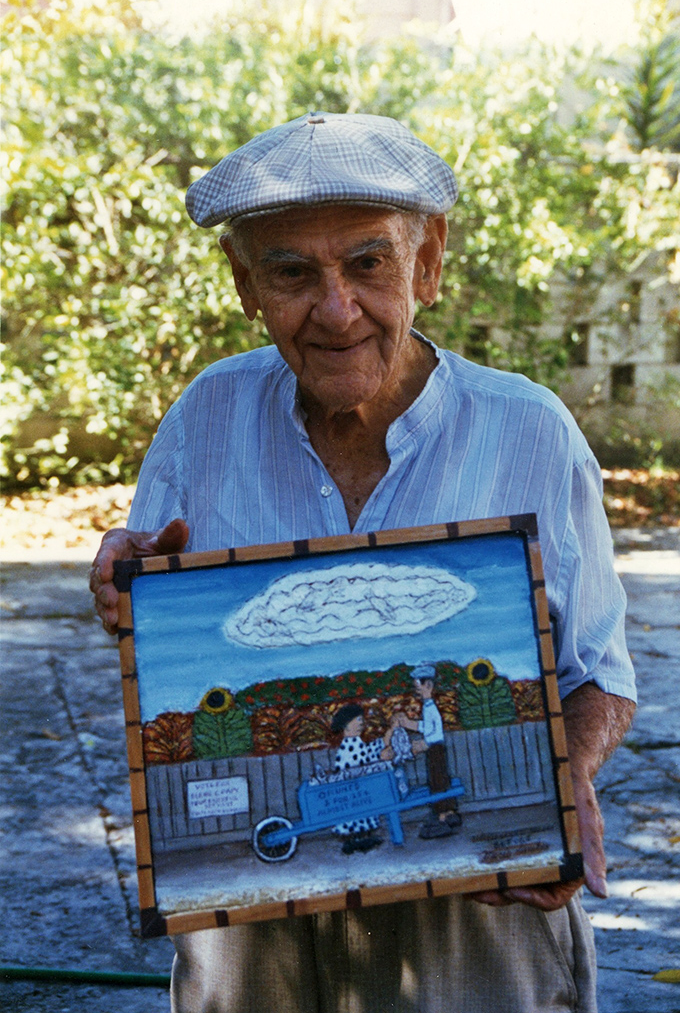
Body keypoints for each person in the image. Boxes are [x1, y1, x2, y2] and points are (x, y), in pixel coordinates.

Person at [90, 111, 636, 1013]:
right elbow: (157, 628)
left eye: (368, 262)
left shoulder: (529, 430)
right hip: (250, 931)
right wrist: (127, 587)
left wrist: (566, 779)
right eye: (292, 272)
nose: (335, 309)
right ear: (244, 284)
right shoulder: (205, 417)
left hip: (474, 913)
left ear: (427, 264)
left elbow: (600, 677)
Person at [395, 664, 462, 839]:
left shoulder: (431, 708)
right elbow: (428, 727)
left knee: (438, 781)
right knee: (438, 780)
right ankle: (447, 812)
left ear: (429, 686)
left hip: (435, 750)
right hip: (434, 749)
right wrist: (411, 725)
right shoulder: (428, 706)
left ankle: (442, 816)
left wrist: (424, 743)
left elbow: (436, 732)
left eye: (419, 686)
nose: (416, 690)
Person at [329, 702, 392, 853]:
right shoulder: (349, 746)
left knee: (363, 813)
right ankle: (355, 840)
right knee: (358, 815)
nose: (361, 723)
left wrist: (384, 741)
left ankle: (361, 838)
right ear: (346, 726)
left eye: (361, 720)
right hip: (352, 790)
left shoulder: (356, 742)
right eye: (357, 720)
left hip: (357, 788)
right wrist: (379, 759)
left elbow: (367, 752)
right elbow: (362, 763)